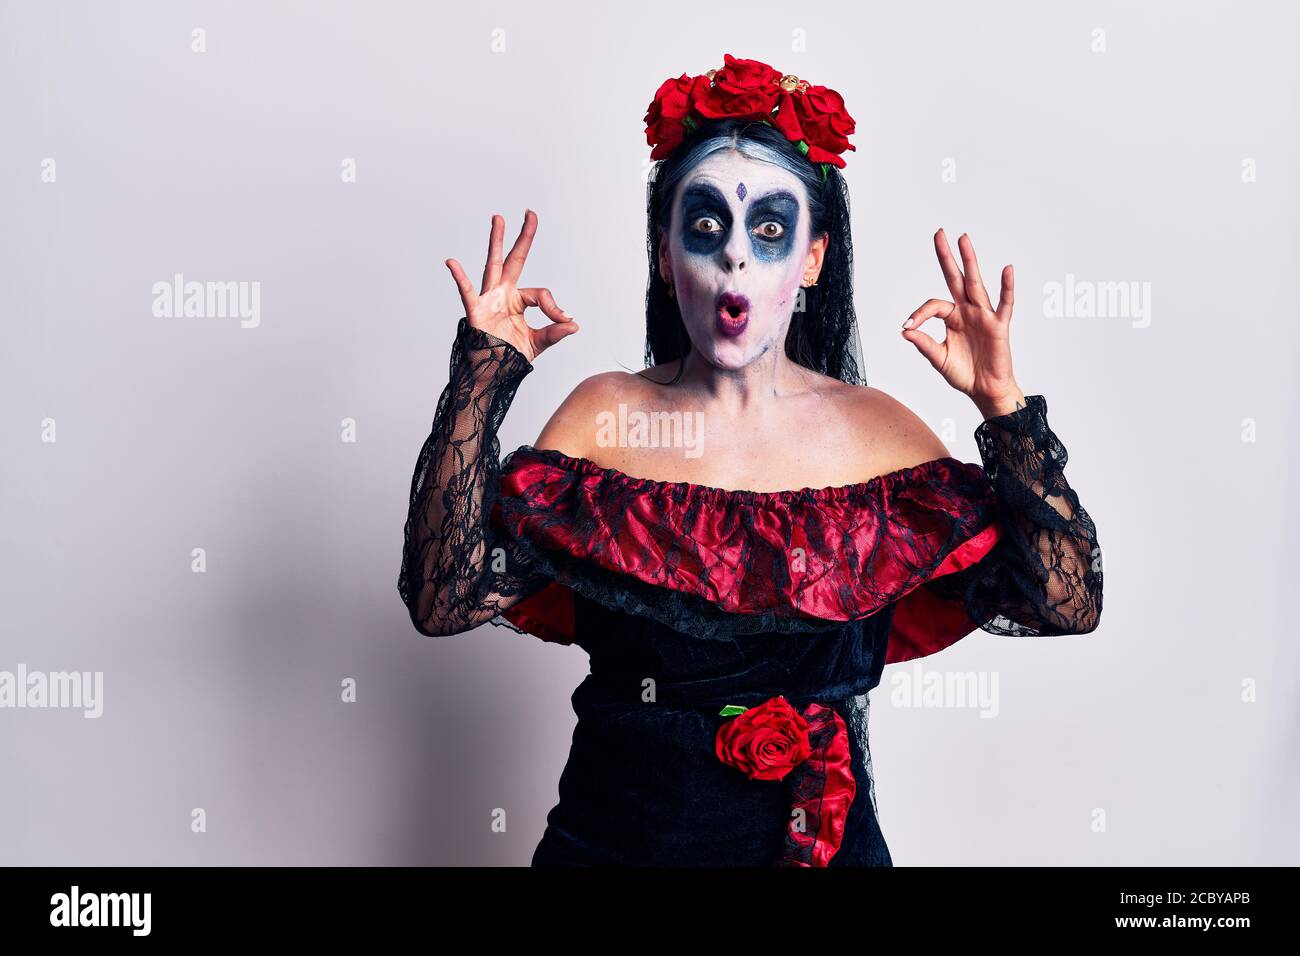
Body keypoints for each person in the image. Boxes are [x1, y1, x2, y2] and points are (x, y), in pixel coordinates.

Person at [398, 54, 1103, 867]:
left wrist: (1004, 406)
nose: (735, 257)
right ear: (666, 257)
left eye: (769, 230)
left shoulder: (880, 436)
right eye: (705, 227)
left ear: (811, 261)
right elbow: (443, 599)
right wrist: (484, 374)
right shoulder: (605, 414)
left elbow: (1064, 602)